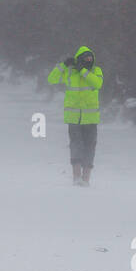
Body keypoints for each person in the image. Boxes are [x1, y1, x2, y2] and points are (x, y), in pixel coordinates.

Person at [46, 45, 103, 186]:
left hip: (91, 119)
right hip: (73, 118)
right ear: (79, 59)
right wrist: (63, 65)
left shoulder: (96, 71)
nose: (89, 60)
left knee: (90, 146)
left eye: (91, 58)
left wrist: (83, 70)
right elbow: (51, 79)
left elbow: (98, 83)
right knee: (75, 146)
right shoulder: (70, 72)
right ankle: (76, 176)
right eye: (86, 58)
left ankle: (86, 178)